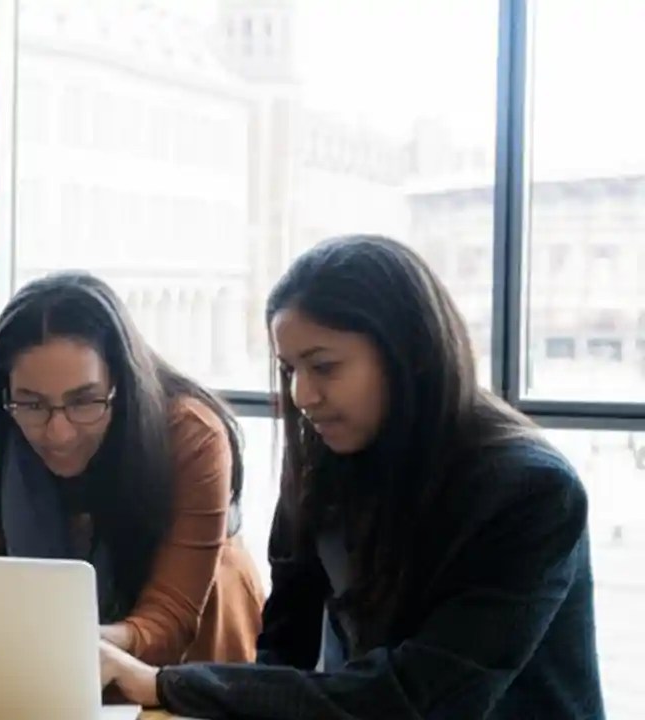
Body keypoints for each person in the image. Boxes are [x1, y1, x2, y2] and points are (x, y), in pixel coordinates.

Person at [100, 235, 605, 719]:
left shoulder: (532, 492)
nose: (301, 395)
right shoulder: (325, 460)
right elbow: (283, 647)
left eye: (324, 366)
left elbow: (418, 697)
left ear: (410, 354)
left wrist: (168, 682)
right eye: (290, 368)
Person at [0, 271, 266, 670]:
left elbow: (169, 621)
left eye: (85, 401)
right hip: (53, 661)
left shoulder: (193, 434)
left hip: (196, 648)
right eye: (32, 404)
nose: (59, 432)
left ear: (124, 384)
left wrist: (72, 640)